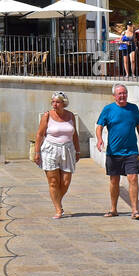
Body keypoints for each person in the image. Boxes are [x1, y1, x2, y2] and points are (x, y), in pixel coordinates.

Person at [96, 83, 139, 220]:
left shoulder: (133, 109)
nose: (122, 96)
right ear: (114, 96)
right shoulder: (108, 109)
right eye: (119, 94)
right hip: (113, 152)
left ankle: (135, 210)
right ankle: (113, 209)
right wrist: (99, 139)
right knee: (114, 180)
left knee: (133, 178)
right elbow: (99, 126)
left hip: (131, 151)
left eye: (124, 93)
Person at [33, 91, 80, 219]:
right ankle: (58, 209)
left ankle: (57, 200)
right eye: (53, 102)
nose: (54, 104)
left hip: (68, 150)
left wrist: (78, 150)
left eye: (57, 102)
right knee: (53, 182)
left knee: (65, 182)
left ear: (63, 103)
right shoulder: (47, 116)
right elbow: (40, 134)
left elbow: (74, 134)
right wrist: (37, 152)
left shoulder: (71, 116)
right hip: (50, 149)